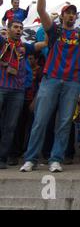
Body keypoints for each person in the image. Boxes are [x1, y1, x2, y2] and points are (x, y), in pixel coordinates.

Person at [20, 0, 80, 173]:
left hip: (71, 84)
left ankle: (56, 158)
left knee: (63, 124)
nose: (71, 15)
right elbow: (41, 9)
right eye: (67, 12)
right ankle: (31, 159)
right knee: (40, 121)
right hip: (50, 80)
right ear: (62, 16)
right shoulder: (54, 31)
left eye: (73, 13)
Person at [0, 21, 46, 169]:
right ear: (8, 29)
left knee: (10, 126)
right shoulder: (2, 43)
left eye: (21, 28)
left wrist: (47, 27)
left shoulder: (24, 47)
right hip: (1, 88)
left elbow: (42, 44)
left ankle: (2, 158)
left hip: (17, 91)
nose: (19, 30)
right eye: (15, 27)